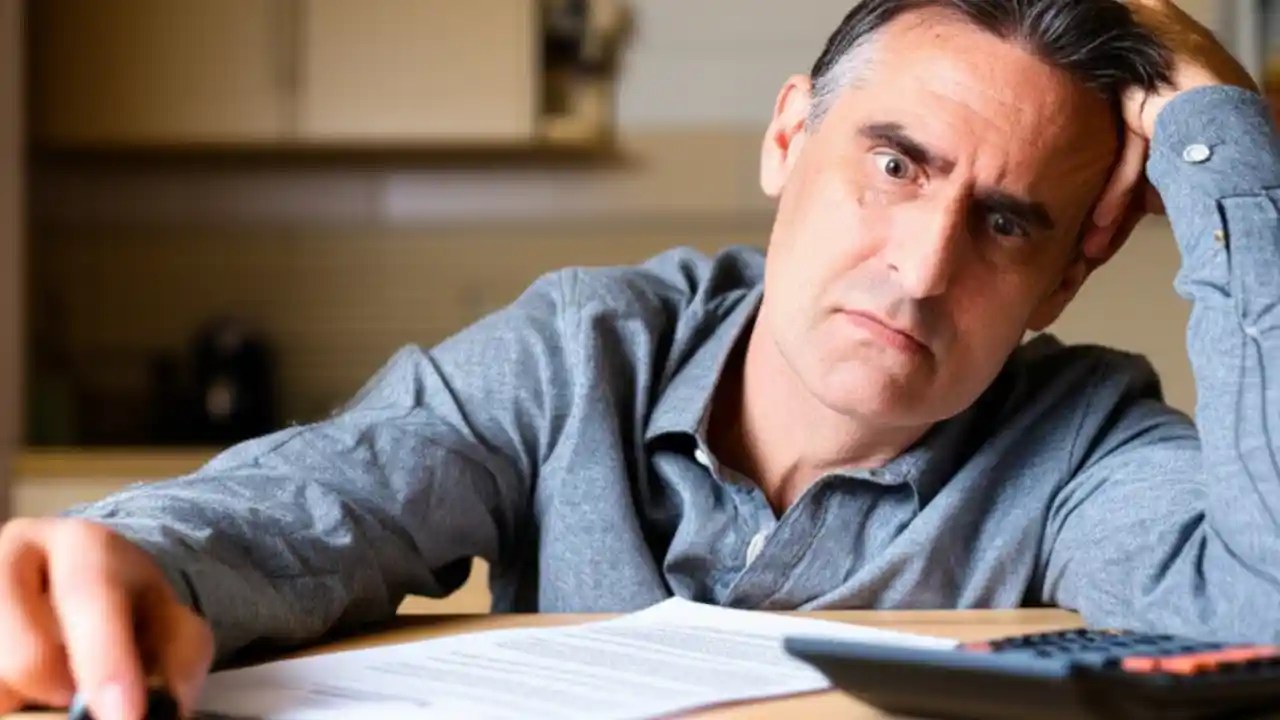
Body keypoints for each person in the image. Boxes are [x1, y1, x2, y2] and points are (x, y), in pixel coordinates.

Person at [4, 0, 1278, 717]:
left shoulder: (1085, 448)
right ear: (789, 139)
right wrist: (144, 563)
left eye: (1005, 224)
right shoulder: (583, 351)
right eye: (894, 165)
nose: (923, 264)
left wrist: (1227, 142)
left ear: (1065, 275)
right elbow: (318, 504)